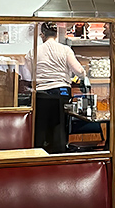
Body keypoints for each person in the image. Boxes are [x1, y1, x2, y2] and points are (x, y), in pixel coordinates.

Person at [25, 23, 86, 152]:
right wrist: (83, 76)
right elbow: (79, 70)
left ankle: (39, 154)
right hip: (61, 92)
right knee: (60, 126)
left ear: (42, 35)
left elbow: (30, 75)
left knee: (40, 128)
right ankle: (59, 154)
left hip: (41, 94)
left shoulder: (33, 52)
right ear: (56, 34)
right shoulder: (65, 50)